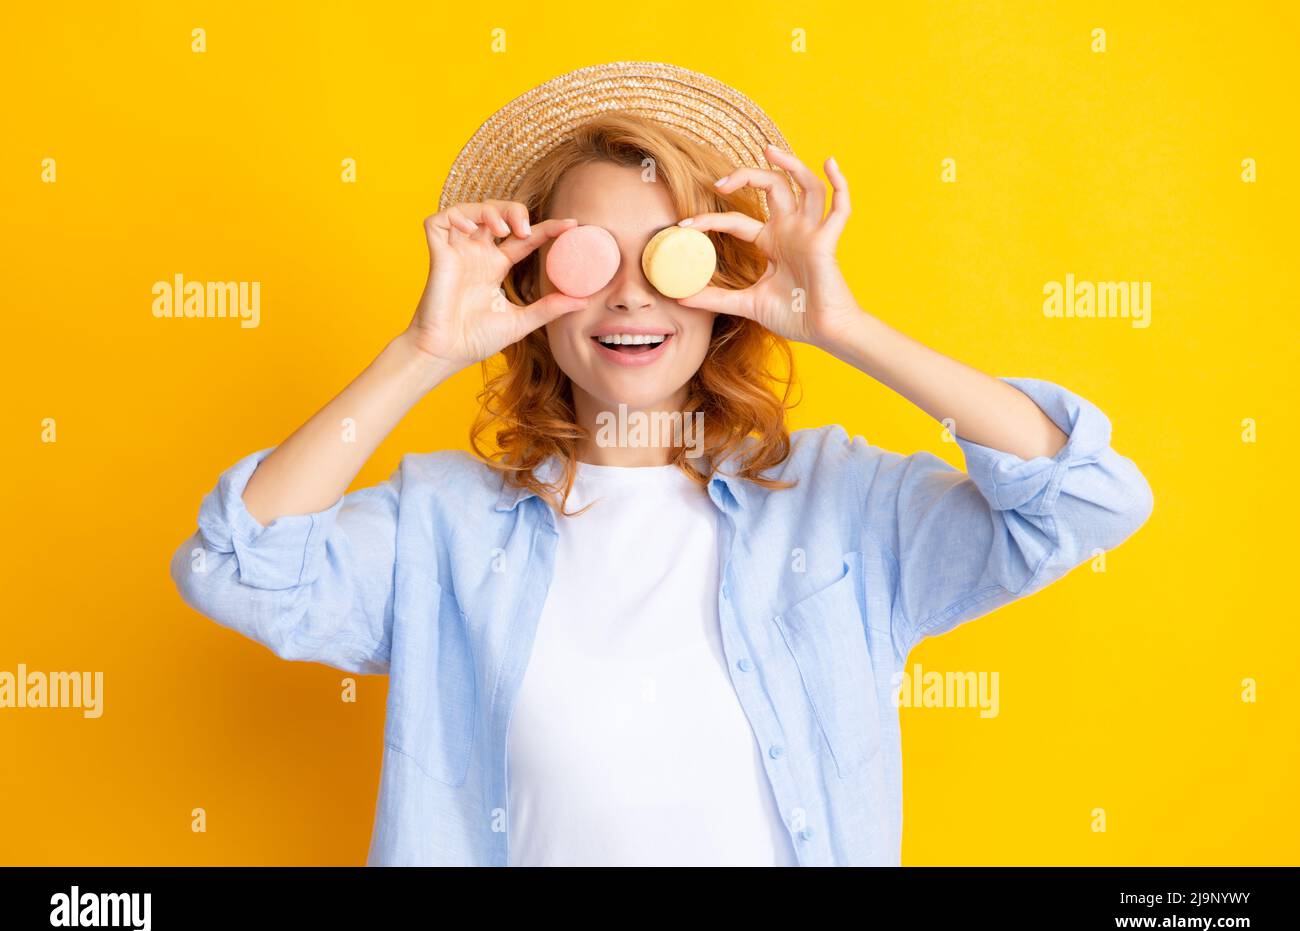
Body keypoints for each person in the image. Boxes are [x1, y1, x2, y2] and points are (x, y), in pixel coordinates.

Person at [170, 62, 1153, 866]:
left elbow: (1084, 497)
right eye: (590, 259)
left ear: (722, 281)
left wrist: (844, 326)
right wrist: (423, 350)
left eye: (669, 254)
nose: (632, 298)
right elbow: (237, 564)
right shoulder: (441, 524)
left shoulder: (840, 507)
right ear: (534, 287)